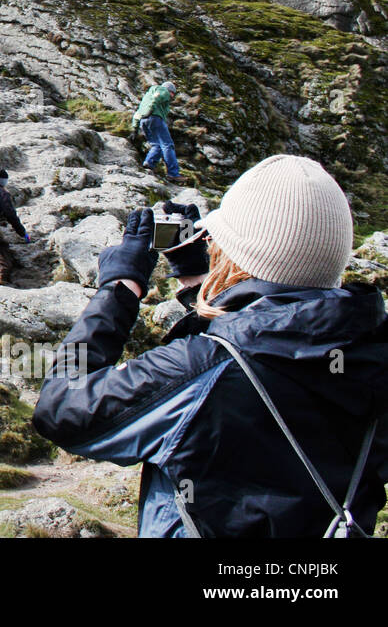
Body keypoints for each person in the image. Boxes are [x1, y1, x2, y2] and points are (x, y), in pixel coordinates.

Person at [32, 155, 388, 537]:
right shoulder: (372, 351)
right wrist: (200, 284)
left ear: (236, 255)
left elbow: (61, 407)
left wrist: (119, 289)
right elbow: (272, 340)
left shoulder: (197, 368)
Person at [134, 80, 182, 183]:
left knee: (156, 145)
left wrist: (134, 128)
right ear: (170, 90)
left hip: (144, 121)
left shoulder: (147, 97)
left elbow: (138, 113)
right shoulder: (163, 90)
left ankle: (149, 163)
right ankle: (173, 174)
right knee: (168, 145)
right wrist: (151, 109)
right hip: (155, 118)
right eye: (172, 93)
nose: (172, 97)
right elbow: (158, 98)